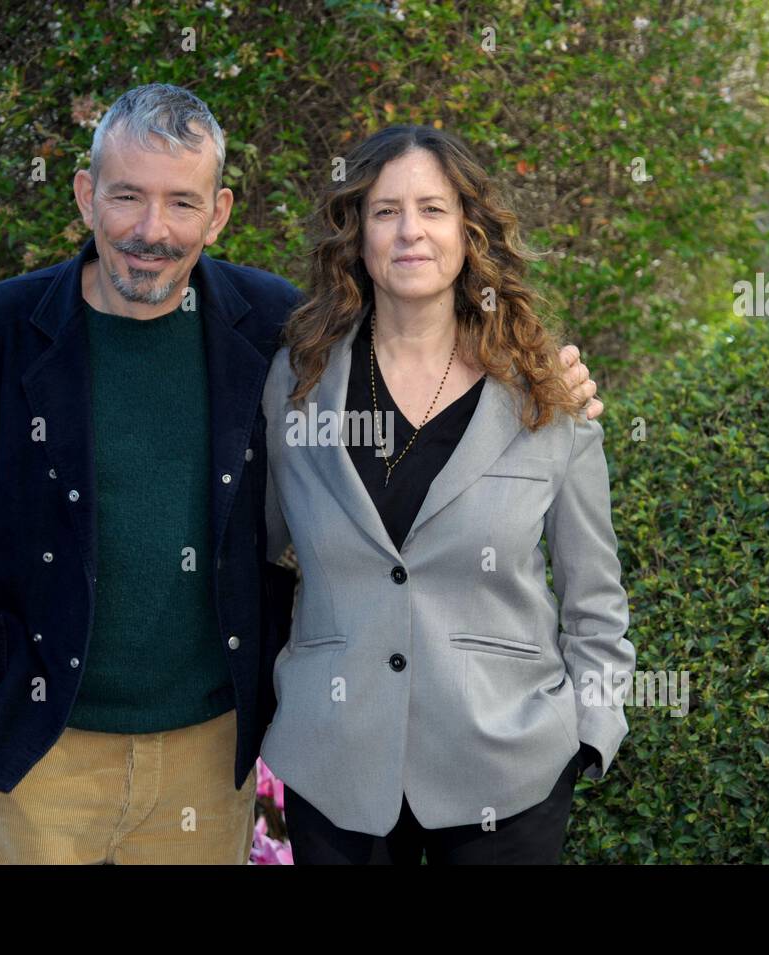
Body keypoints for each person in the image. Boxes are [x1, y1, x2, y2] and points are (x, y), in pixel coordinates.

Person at [0, 84, 602, 864]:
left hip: (206, 760)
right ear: (85, 195)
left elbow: (416, 344)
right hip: (36, 753)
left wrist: (543, 378)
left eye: (182, 203)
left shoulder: (269, 330)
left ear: (221, 211)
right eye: (127, 196)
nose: (151, 230)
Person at [260, 125, 634, 864]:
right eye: (385, 210)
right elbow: (264, 555)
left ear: (469, 231)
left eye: (432, 209)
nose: (410, 232)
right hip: (336, 769)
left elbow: (595, 596)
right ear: (356, 233)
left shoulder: (543, 394)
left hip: (509, 768)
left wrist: (592, 727)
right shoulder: (296, 385)